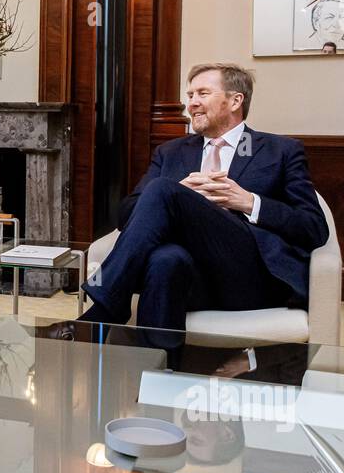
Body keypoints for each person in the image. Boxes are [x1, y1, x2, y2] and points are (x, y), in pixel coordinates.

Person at [82, 63, 329, 340]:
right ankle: (161, 372)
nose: (192, 104)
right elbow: (126, 215)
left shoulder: (280, 151)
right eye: (190, 96)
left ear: (235, 100)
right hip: (191, 279)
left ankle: (106, 307)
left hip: (248, 277)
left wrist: (249, 202)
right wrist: (178, 196)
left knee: (164, 190)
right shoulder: (170, 152)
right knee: (166, 259)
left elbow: (314, 228)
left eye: (202, 93)